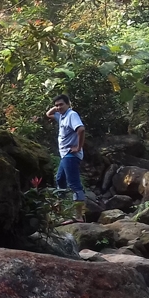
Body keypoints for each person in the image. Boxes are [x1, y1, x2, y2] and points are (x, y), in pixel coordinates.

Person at [46, 93, 86, 222]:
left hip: (71, 155)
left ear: (68, 104)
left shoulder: (71, 115)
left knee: (74, 184)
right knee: (60, 179)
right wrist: (56, 107)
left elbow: (81, 130)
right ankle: (60, 212)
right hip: (65, 155)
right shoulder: (61, 116)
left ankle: (79, 216)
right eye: (56, 105)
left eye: (61, 104)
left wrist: (79, 147)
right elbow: (48, 114)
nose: (58, 107)